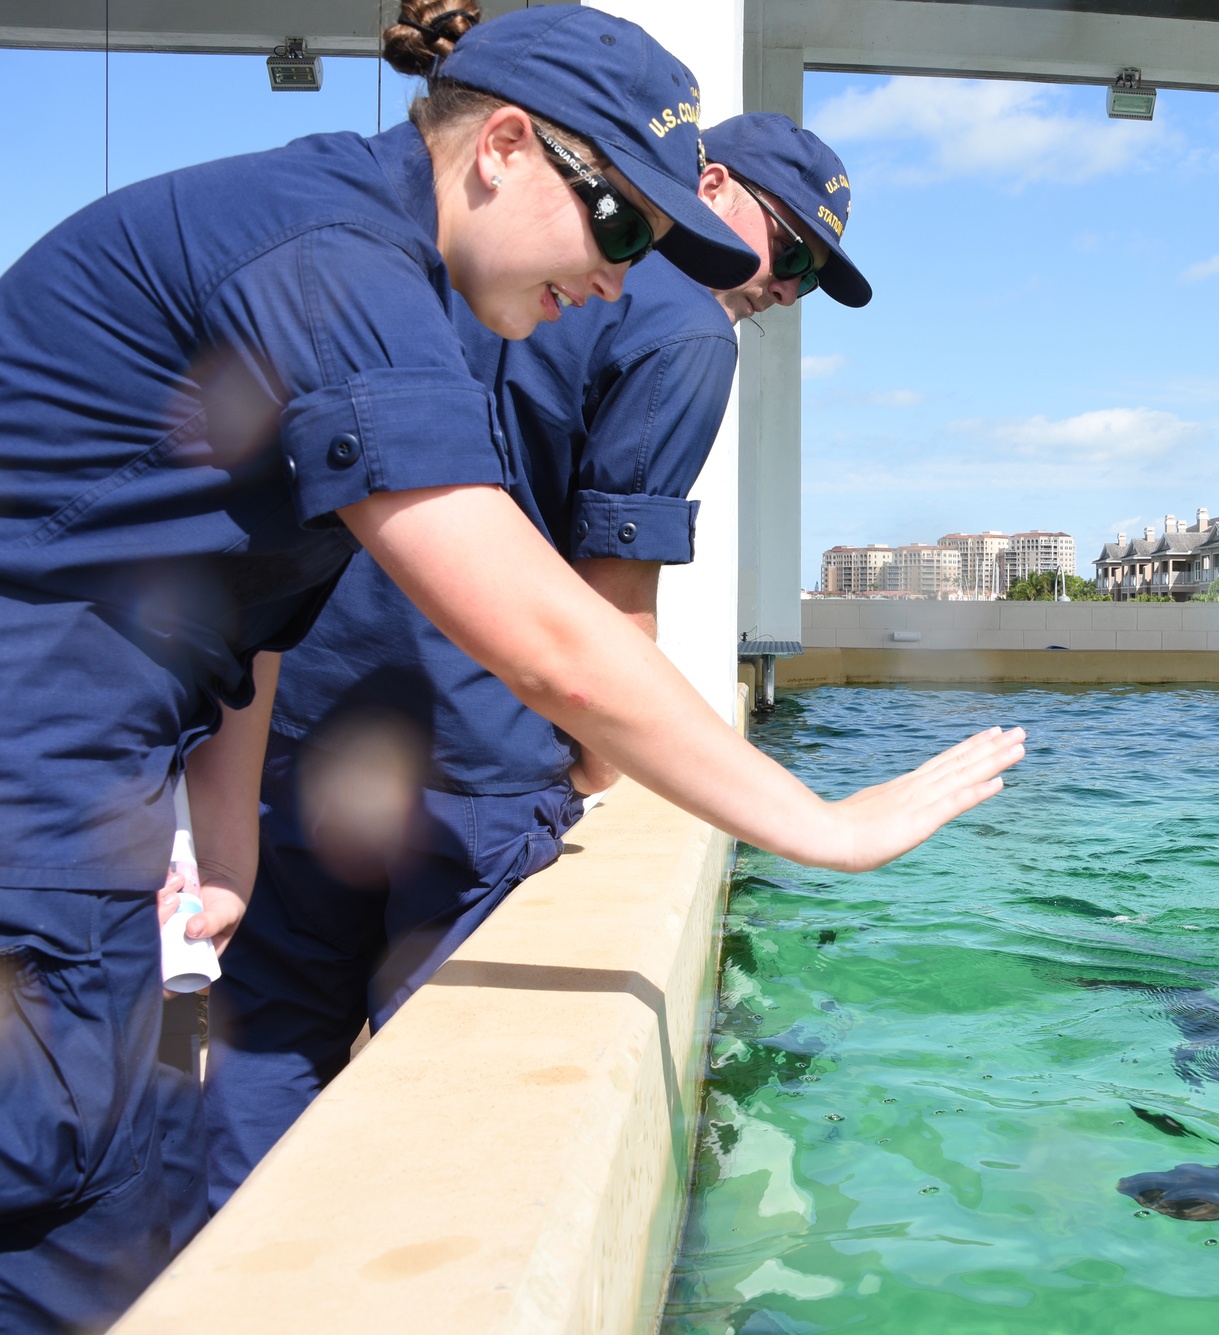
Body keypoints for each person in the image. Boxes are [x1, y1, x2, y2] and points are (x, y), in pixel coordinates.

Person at [0, 7, 1023, 1330]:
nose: (624, 277)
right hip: (36, 799)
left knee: (140, 1197)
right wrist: (819, 823)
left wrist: (231, 847)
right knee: (65, 1227)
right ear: (503, 148)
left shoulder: (376, 263)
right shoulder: (339, 263)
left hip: (94, 778)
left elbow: (240, 613)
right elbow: (547, 634)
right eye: (619, 229)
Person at [201, 48, 877, 1213]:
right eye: (790, 246)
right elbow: (614, 592)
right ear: (700, 182)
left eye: (815, 275)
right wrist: (597, 760)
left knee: (263, 1053)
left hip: (307, 721)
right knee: (450, 1110)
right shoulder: (679, 331)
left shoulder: (418, 262)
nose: (788, 286)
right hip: (474, 753)